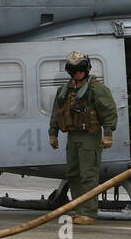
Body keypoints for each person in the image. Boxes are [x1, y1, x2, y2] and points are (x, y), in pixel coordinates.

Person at [48, 51, 117, 224]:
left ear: (86, 68)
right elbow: (56, 113)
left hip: (90, 136)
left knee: (88, 175)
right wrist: (53, 133)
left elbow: (109, 112)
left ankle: (89, 213)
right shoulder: (65, 91)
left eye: (80, 69)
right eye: (74, 69)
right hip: (73, 136)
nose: (77, 72)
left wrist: (108, 134)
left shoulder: (96, 89)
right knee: (73, 174)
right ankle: (80, 209)